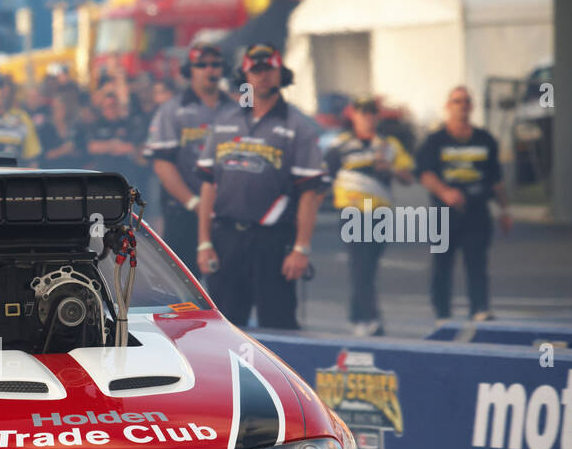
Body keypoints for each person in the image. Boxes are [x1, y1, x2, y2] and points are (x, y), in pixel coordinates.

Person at [195, 43, 327, 330]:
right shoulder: (224, 122)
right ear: (245, 75)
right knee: (223, 329)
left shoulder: (298, 126)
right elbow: (208, 186)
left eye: (269, 69)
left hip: (274, 242)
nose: (262, 76)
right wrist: (204, 243)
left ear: (282, 74)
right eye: (256, 70)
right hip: (225, 238)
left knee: (278, 325)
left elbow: (310, 193)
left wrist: (301, 249)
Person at [416, 85, 511, 324]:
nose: (462, 105)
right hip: (443, 214)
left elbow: (496, 179)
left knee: (477, 262)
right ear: (448, 106)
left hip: (477, 212)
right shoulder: (435, 140)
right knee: (442, 265)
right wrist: (445, 192)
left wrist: (505, 210)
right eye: (457, 101)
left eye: (467, 101)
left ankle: (480, 309)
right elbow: (425, 173)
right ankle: (442, 313)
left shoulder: (485, 139)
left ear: (472, 106)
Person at [326, 95, 415, 336]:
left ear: (377, 116)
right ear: (353, 115)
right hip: (352, 212)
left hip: (380, 213)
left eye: (371, 112)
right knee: (360, 265)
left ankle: (357, 316)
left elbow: (409, 177)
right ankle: (370, 318)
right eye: (361, 111)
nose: (367, 116)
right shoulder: (341, 144)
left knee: (369, 266)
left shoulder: (389, 145)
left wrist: (392, 169)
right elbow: (324, 173)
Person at [145, 42, 233, 276]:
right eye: (201, 65)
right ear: (190, 71)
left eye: (215, 65)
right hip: (183, 212)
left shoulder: (235, 110)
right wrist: (194, 203)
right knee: (184, 291)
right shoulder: (172, 110)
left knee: (225, 291)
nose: (209, 70)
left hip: (226, 215)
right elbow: (162, 165)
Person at [85, 78, 148, 189]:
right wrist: (114, 144)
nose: (111, 109)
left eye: (114, 106)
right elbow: (92, 147)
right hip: (103, 179)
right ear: (102, 108)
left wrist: (107, 146)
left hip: (126, 179)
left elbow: (133, 147)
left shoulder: (128, 123)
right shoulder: (97, 125)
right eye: (107, 107)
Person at [36, 87, 86, 170]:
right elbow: (43, 156)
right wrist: (63, 150)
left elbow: (84, 153)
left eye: (62, 107)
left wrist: (73, 152)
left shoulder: (77, 128)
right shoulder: (46, 129)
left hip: (74, 172)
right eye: (57, 107)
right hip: (52, 173)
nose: (60, 111)